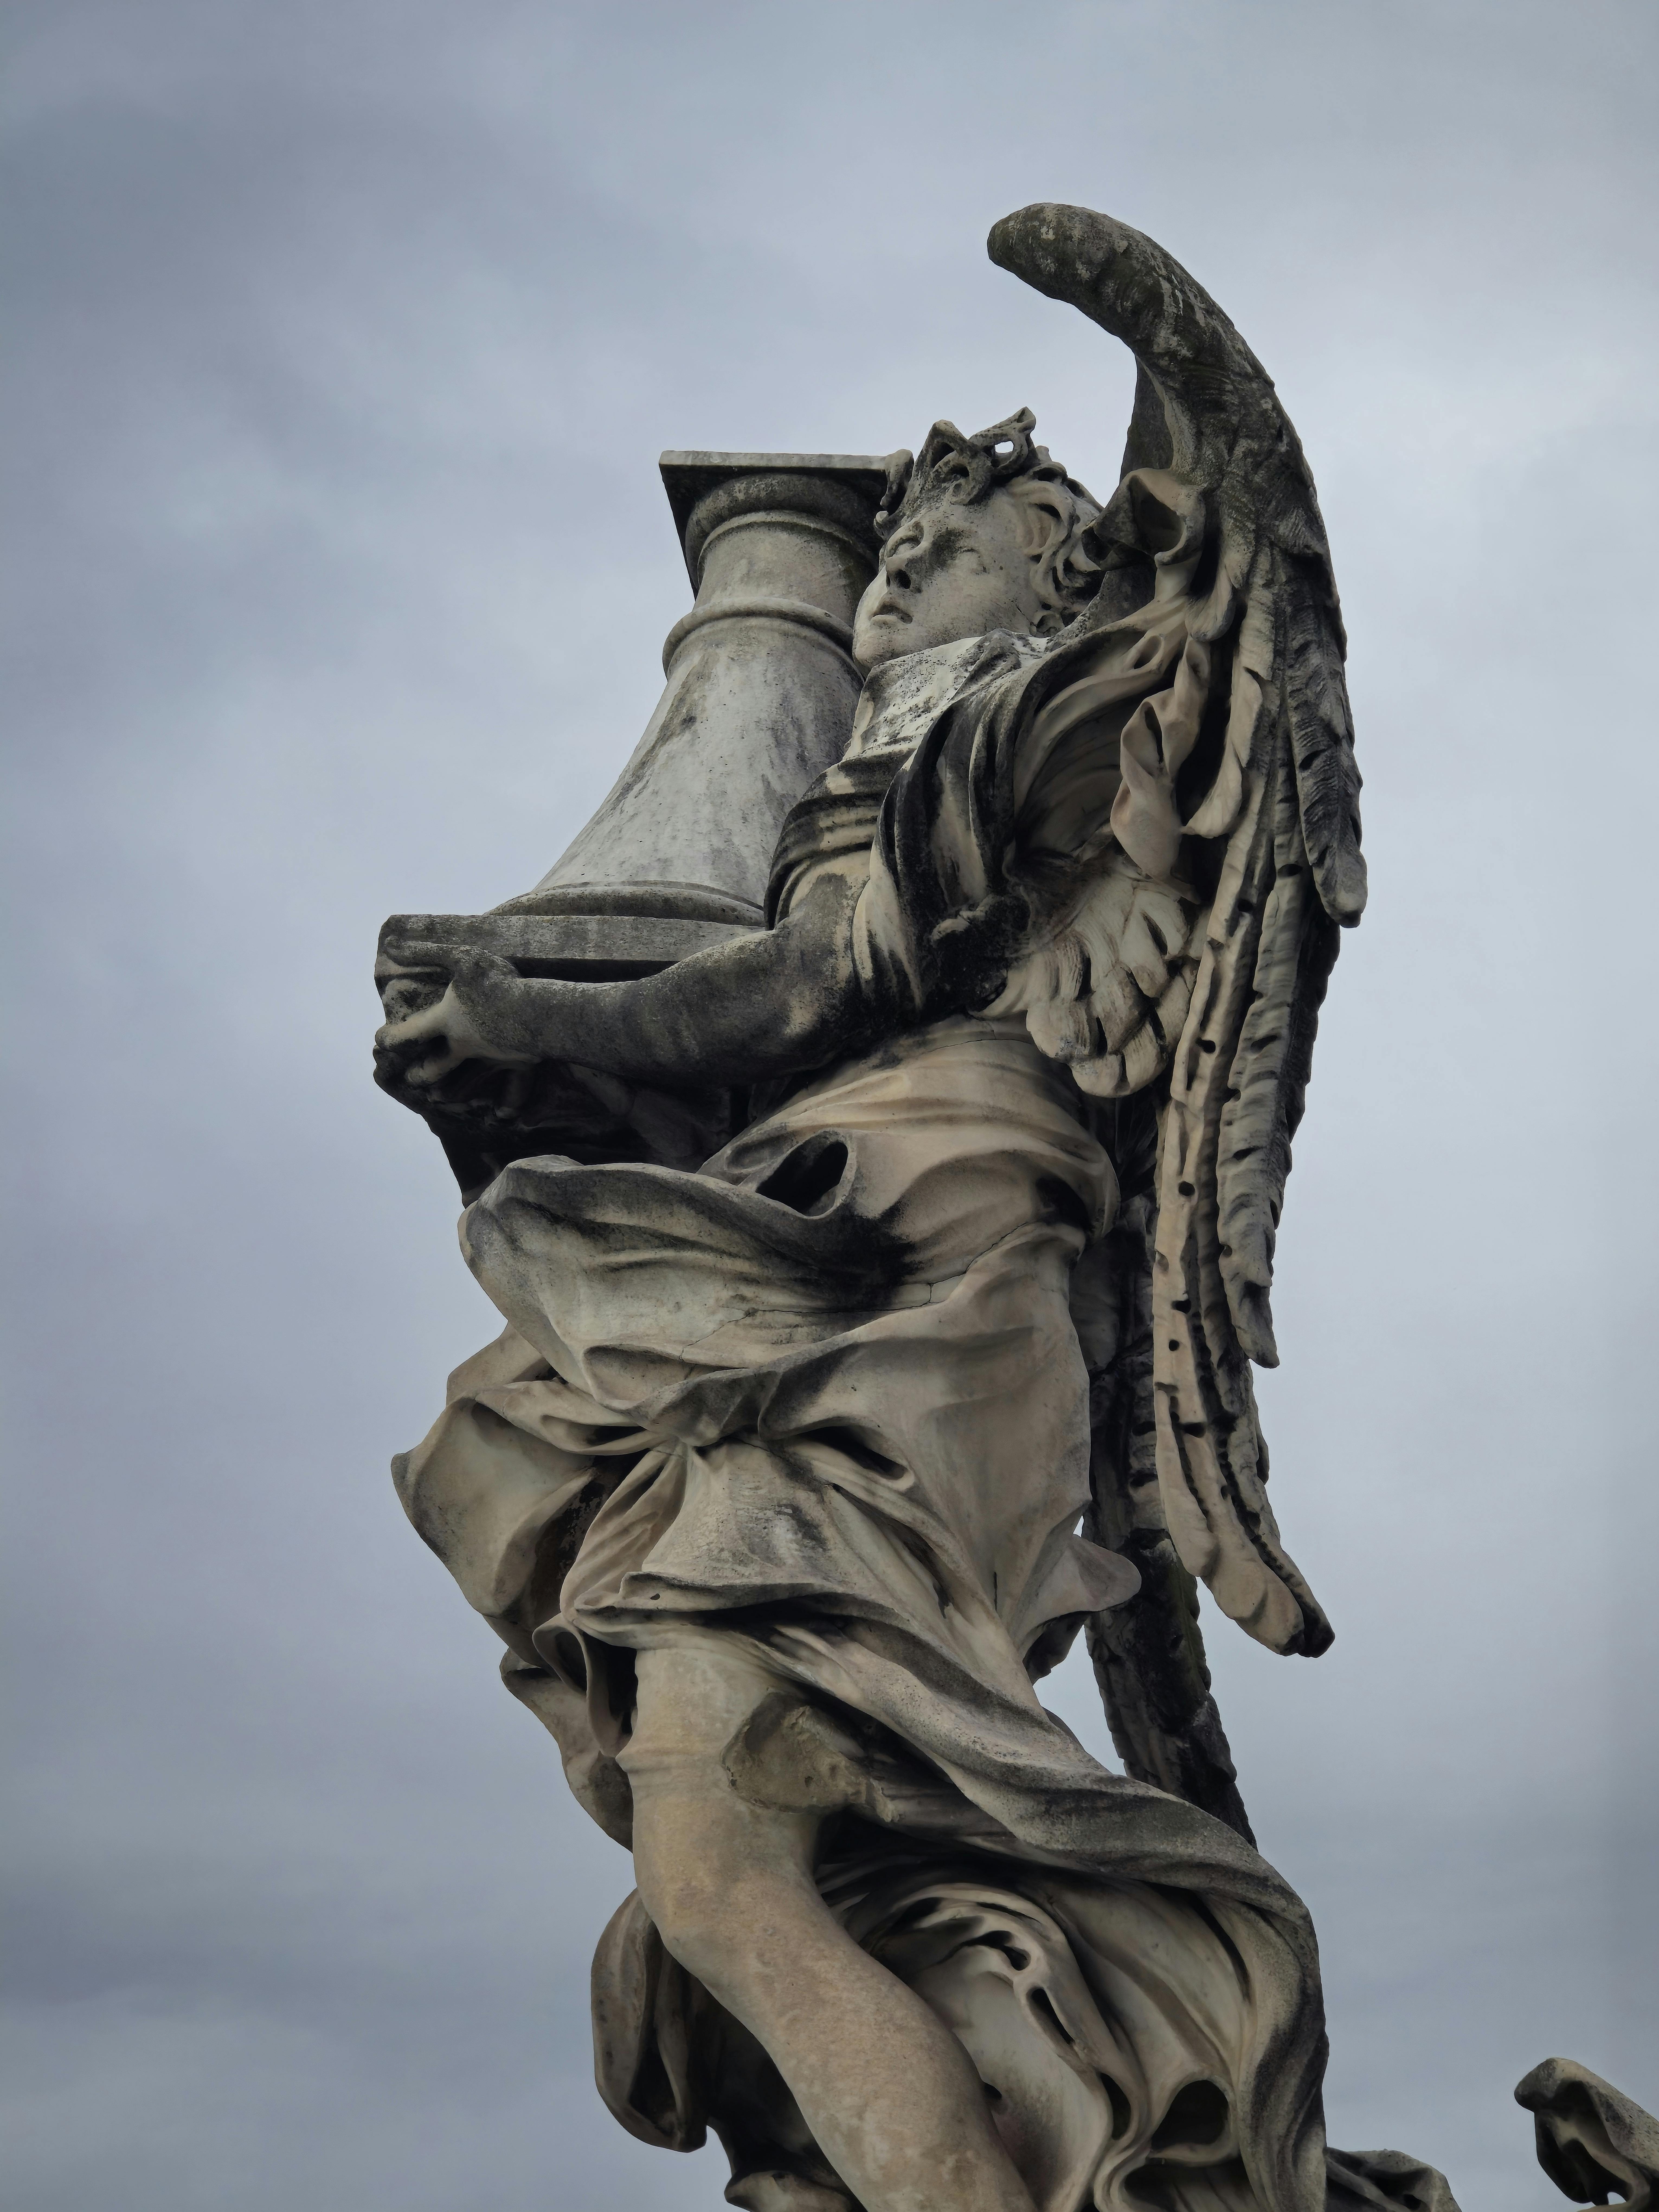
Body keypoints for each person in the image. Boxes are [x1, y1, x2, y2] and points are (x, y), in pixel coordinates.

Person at [376, 411, 1328, 2212]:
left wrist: (529, 1015)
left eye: (944, 546)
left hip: (916, 1256)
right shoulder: (905, 741)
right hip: (831, 1208)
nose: (893, 570)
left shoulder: (1056, 728)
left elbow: (828, 974)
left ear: (1062, 574)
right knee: (790, 1855)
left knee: (727, 1840)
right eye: (881, 548)